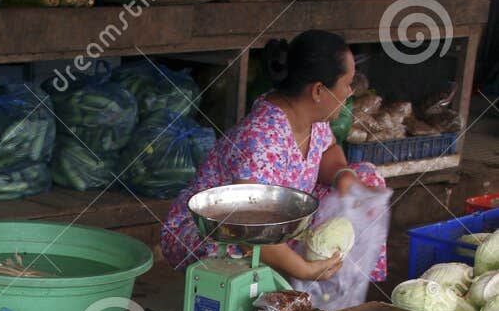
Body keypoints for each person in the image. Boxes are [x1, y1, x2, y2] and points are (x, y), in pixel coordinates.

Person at [161, 30, 388, 288]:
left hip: (276, 223)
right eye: (346, 84)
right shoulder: (261, 140)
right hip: (215, 229)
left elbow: (328, 149)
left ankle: (326, 289)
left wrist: (341, 175)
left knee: (365, 178)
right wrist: (302, 269)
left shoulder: (311, 116)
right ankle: (272, 298)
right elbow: (248, 228)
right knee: (239, 251)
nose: (349, 93)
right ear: (318, 91)